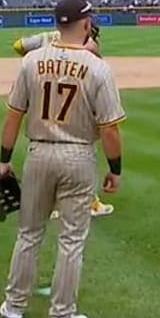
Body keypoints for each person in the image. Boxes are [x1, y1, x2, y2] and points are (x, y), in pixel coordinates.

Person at [0, 0, 125, 318]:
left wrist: (5, 160)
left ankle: (13, 306)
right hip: (78, 156)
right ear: (86, 24)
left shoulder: (32, 61)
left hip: (38, 153)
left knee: (28, 233)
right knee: (71, 240)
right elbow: (110, 128)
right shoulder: (98, 67)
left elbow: (12, 115)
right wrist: (116, 169)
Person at [12, 21, 114, 217]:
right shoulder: (86, 48)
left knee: (44, 146)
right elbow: (98, 69)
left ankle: (48, 205)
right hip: (73, 104)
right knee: (83, 150)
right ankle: (90, 203)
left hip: (44, 103)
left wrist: (34, 57)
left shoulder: (45, 38)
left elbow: (18, 45)